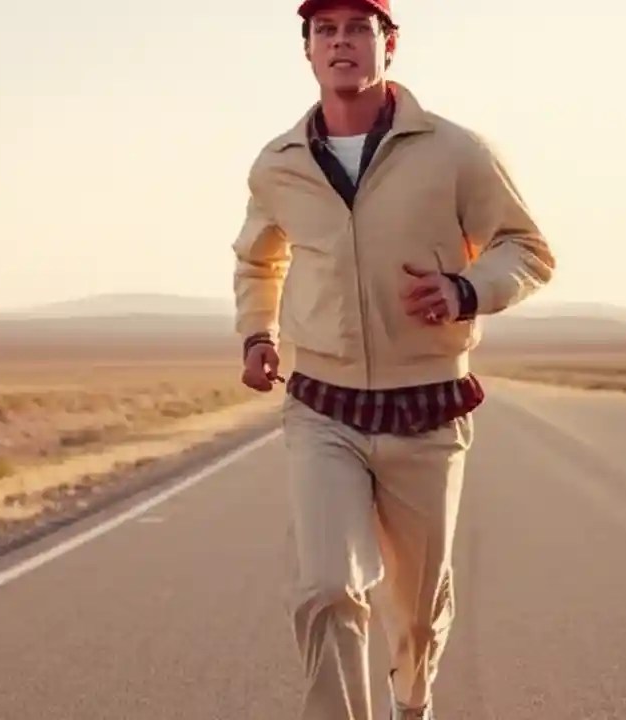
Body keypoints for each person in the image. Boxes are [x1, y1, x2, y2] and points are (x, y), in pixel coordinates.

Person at [231, 0, 554, 717]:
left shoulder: (455, 150)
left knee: (414, 612)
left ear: (390, 45)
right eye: (326, 31)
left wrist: (466, 288)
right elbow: (258, 262)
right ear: (308, 50)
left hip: (427, 404)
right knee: (326, 589)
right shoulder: (278, 165)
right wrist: (257, 335)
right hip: (324, 406)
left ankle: (411, 702)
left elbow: (527, 250)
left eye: (358, 29)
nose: (341, 43)